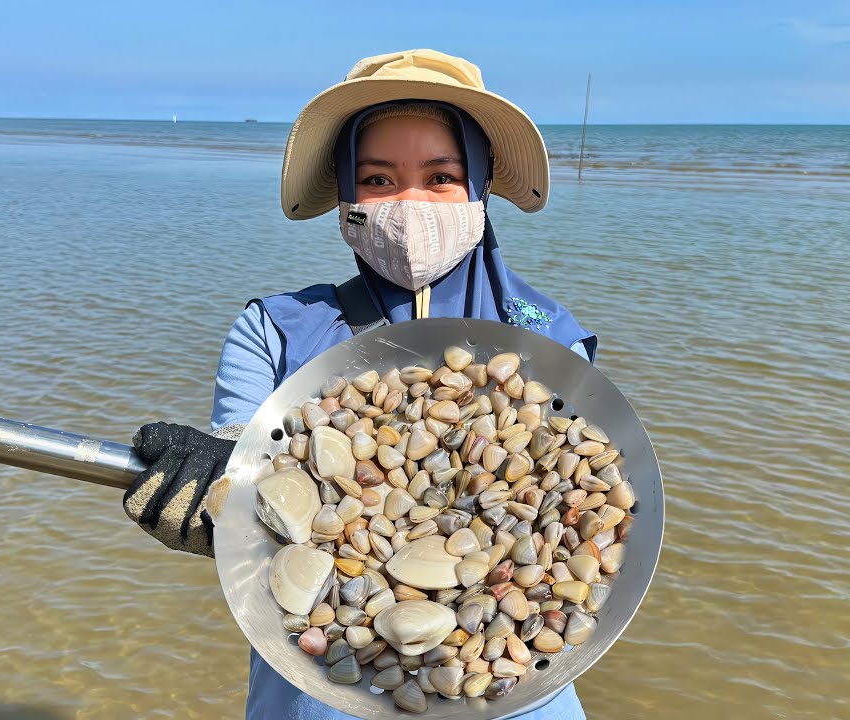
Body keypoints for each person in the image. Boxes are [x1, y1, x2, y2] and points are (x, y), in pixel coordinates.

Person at [122, 49, 596, 719]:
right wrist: (216, 483)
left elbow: (567, 516)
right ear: (345, 197)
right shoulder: (276, 330)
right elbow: (246, 467)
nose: (408, 205)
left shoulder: (549, 339)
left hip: (514, 694)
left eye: (440, 176)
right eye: (377, 178)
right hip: (321, 684)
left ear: (481, 188)